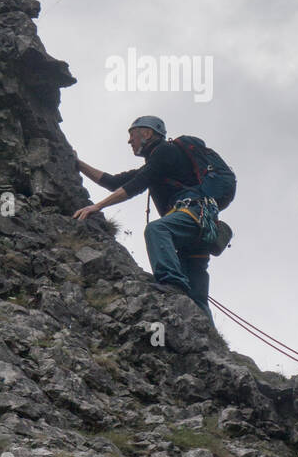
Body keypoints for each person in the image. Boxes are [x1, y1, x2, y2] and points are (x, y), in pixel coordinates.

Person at [74, 116, 214, 320]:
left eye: (132, 135)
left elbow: (133, 186)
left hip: (191, 213)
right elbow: (115, 182)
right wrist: (78, 164)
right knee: (196, 294)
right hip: (199, 225)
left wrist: (98, 206)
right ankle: (208, 336)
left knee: (157, 230)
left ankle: (172, 284)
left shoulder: (165, 152)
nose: (129, 141)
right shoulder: (158, 162)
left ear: (147, 133)